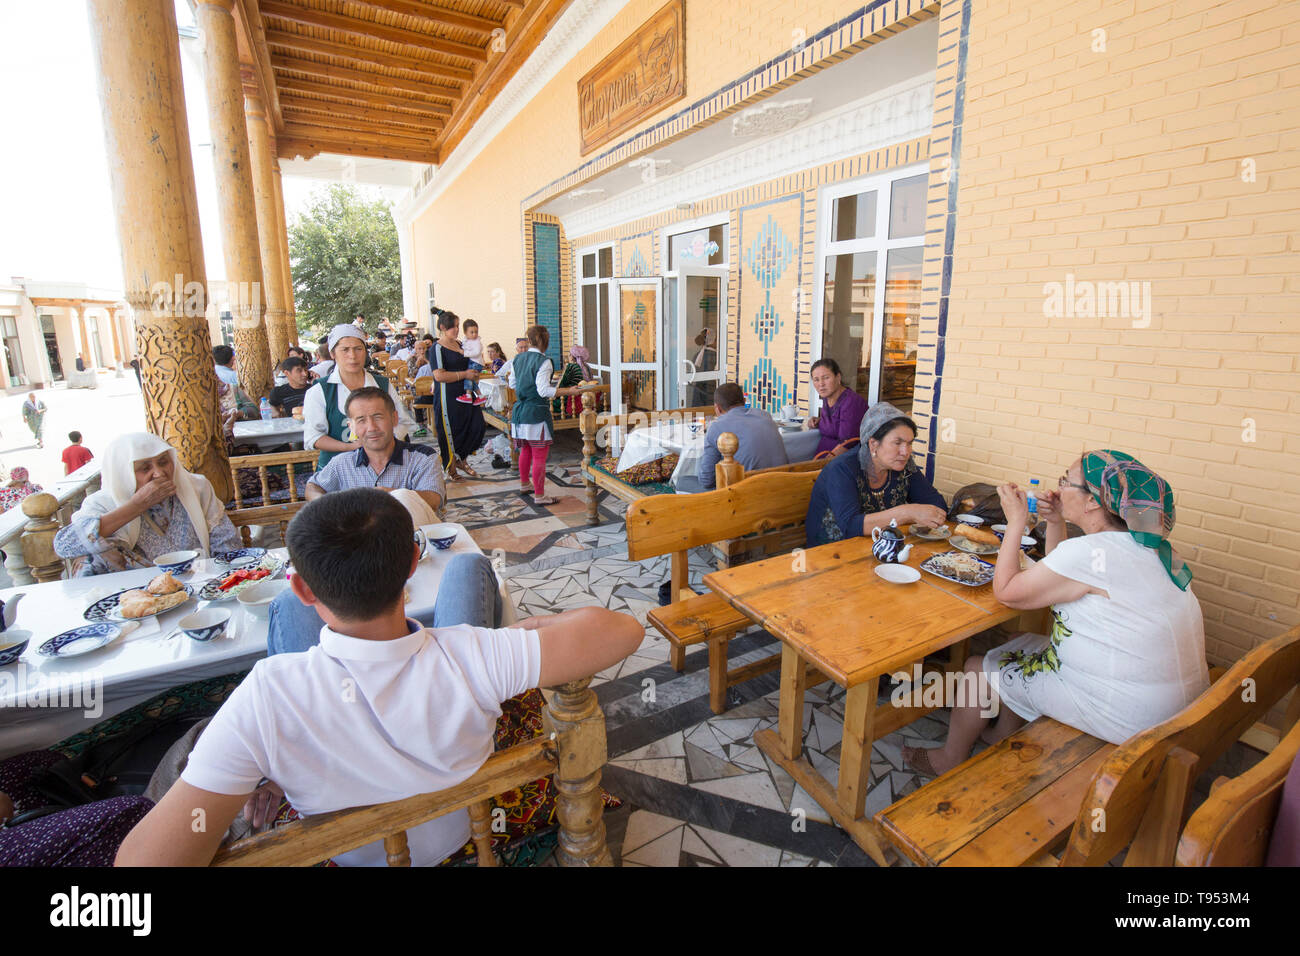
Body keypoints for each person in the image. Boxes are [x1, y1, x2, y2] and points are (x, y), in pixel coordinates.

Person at [116, 488, 644, 866]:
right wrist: (525, 630)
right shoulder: (475, 655)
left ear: (303, 588)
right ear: (415, 563)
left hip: (346, 855)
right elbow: (621, 630)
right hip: (454, 836)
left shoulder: (266, 694)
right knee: (469, 568)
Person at [904, 451, 1208, 777]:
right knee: (1020, 640)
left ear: (1093, 502)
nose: (1059, 487)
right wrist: (1055, 520)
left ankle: (948, 759)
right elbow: (1059, 569)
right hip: (1178, 710)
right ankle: (1002, 735)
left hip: (1128, 719)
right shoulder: (1152, 548)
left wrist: (1017, 522)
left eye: (1067, 480)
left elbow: (1007, 592)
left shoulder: (1093, 553)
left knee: (978, 668)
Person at [54, 433, 241, 576]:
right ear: (123, 473)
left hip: (200, 586)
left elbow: (227, 545)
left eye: (163, 462)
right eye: (145, 468)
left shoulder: (195, 487)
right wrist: (136, 506)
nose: (159, 473)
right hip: (135, 601)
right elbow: (64, 546)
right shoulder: (103, 503)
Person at [804, 402, 947, 547]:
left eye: (909, 443)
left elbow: (936, 503)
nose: (905, 452)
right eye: (897, 443)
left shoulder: (904, 466)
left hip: (878, 545)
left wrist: (921, 513)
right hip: (832, 552)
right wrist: (907, 512)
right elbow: (850, 527)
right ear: (873, 444)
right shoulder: (842, 470)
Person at [306, 387, 445, 527]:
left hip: (412, 541)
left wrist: (389, 496)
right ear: (351, 427)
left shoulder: (422, 458)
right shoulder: (342, 463)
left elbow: (434, 500)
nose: (371, 427)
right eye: (361, 420)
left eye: (378, 417)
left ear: (394, 418)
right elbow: (313, 487)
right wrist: (332, 506)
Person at [302, 324, 417, 471]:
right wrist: (351, 447)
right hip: (336, 471)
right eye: (345, 350)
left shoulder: (382, 384)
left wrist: (381, 443)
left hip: (382, 467)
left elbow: (401, 422)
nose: (353, 356)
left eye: (358, 349)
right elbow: (313, 437)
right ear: (333, 353)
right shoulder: (320, 391)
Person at [506, 325, 585, 505]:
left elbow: (512, 384)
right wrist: (568, 391)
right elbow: (543, 391)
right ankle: (540, 495)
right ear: (544, 341)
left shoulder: (517, 359)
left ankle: (525, 484)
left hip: (520, 413)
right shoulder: (544, 361)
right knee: (539, 454)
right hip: (536, 412)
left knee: (525, 450)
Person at [417, 311, 488, 481]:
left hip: (466, 393)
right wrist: (464, 374)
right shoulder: (437, 348)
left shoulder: (460, 344)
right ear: (442, 327)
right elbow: (439, 375)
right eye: (453, 326)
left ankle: (461, 458)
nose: (457, 329)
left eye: (457, 326)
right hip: (448, 397)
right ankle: (452, 466)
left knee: (477, 425)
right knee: (452, 431)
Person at [695, 383, 788, 491]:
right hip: (780, 488)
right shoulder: (765, 415)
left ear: (718, 409)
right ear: (744, 401)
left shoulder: (717, 427)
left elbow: (707, 480)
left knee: (684, 481)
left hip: (746, 495)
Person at [805, 358, 868, 458]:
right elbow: (836, 423)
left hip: (841, 462)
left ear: (838, 377)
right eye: (816, 379)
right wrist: (819, 422)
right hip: (823, 457)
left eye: (826, 378)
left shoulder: (851, 402)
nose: (821, 384)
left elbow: (847, 444)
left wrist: (819, 466)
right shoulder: (827, 398)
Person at [457, 319, 487, 405]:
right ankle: (480, 396)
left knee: (469, 377)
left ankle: (468, 395)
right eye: (472, 332)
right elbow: (464, 345)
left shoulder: (477, 342)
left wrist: (464, 353)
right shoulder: (467, 340)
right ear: (465, 333)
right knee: (473, 380)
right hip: (473, 362)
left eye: (476, 332)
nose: (474, 334)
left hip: (476, 363)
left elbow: (477, 352)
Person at [688, 328, 718, 407]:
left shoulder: (697, 355)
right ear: (714, 341)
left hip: (698, 396)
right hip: (710, 397)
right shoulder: (717, 357)